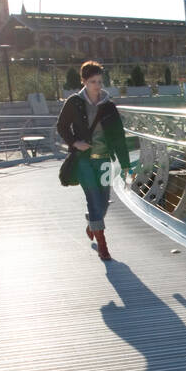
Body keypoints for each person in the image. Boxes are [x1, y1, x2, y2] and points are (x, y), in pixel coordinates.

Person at [55, 60, 131, 261]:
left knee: (103, 202)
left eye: (99, 81)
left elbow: (118, 136)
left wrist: (125, 164)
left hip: (105, 160)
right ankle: (103, 245)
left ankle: (92, 225)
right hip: (84, 161)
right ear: (84, 81)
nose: (97, 85)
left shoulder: (109, 106)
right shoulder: (74, 102)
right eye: (92, 81)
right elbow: (61, 126)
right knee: (93, 200)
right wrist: (74, 143)